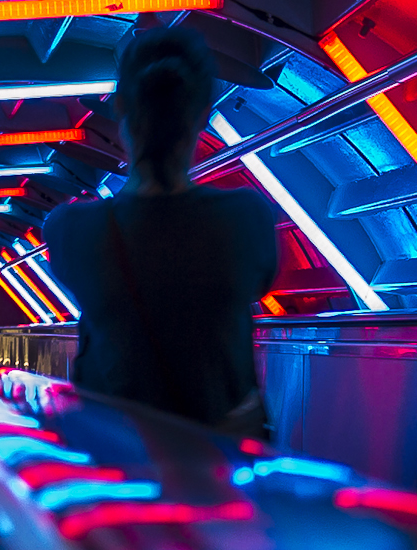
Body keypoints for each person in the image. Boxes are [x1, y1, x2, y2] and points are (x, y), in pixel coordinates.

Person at [45, 26, 278, 438]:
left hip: (118, 458)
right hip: (223, 456)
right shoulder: (246, 218)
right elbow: (258, 282)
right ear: (203, 116)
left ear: (123, 117)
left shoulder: (70, 229)